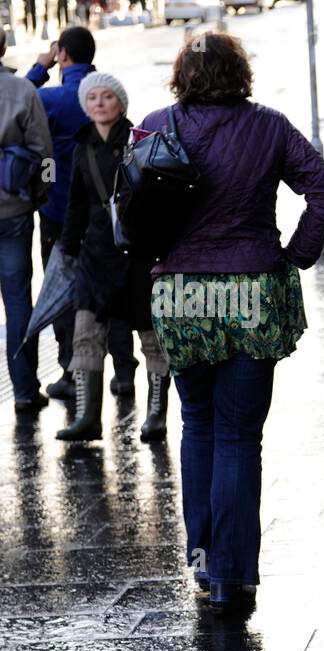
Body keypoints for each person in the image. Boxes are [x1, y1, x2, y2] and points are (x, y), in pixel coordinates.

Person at [140, 33, 324, 612]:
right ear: (240, 72)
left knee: (198, 425)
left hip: (182, 295)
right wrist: (296, 256)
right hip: (252, 289)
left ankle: (202, 561)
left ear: (183, 73)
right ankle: (233, 575)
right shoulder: (271, 126)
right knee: (238, 435)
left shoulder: (158, 123)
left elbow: (127, 205)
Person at [54, 72, 170, 443]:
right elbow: (76, 205)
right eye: (93, 98)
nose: (100, 103)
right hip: (96, 257)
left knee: (152, 338)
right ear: (86, 107)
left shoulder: (138, 143)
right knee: (85, 335)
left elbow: (154, 202)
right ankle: (88, 418)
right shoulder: (81, 146)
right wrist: (67, 251)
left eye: (107, 97)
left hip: (137, 257)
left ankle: (156, 416)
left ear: (121, 105)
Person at [27, 27, 140, 401]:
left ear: (62, 55)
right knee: (118, 291)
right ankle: (124, 373)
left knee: (66, 290)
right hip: (113, 215)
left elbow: (14, 101)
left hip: (60, 210)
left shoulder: (52, 97)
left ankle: (70, 370)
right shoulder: (107, 95)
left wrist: (38, 68)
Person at [0, 28, 53, 416]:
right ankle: (23, 390)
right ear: (3, 48)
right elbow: (44, 155)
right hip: (14, 209)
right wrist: (41, 197)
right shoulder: (22, 92)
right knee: (18, 300)